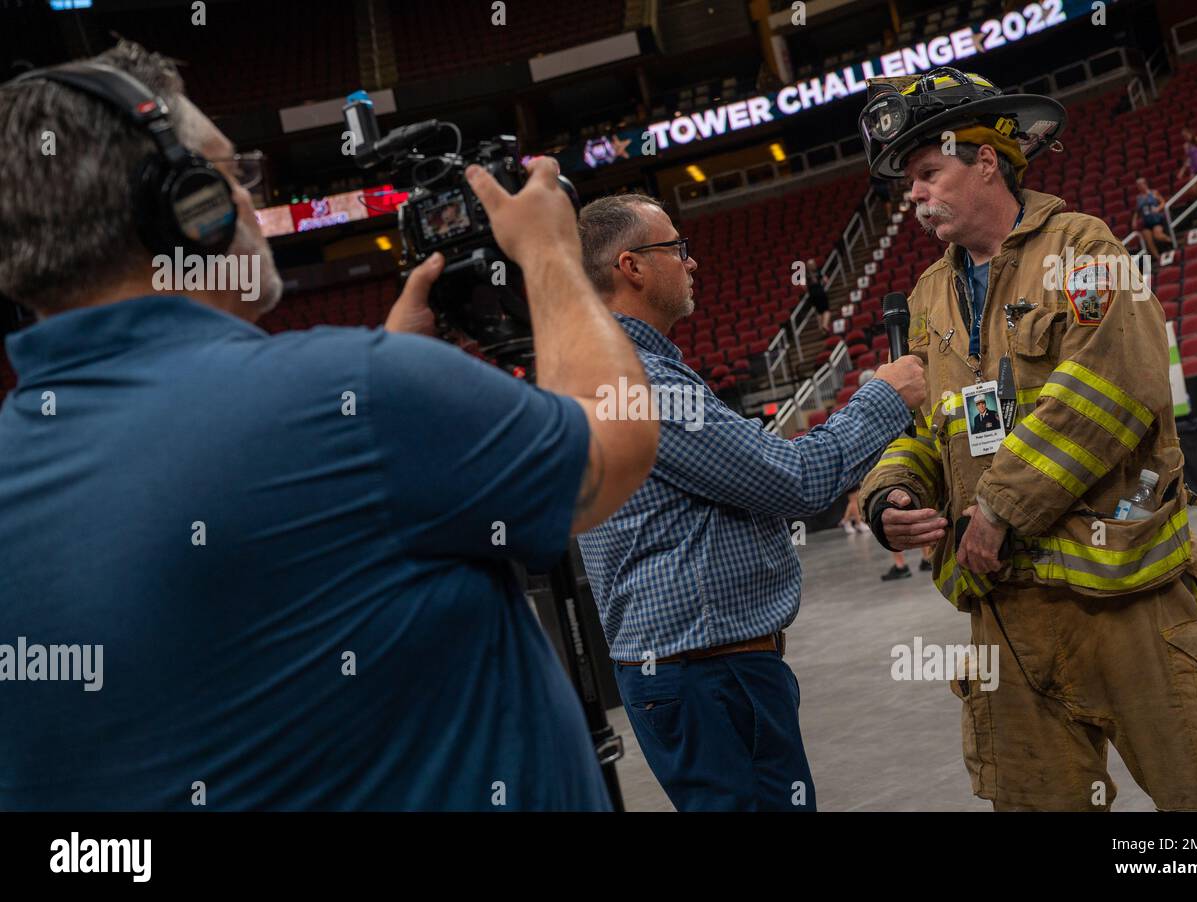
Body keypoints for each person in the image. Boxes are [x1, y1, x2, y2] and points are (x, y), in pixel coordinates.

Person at [0, 42, 660, 810]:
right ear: (180, 203)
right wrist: (548, 254)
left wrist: (386, 385)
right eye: (229, 173)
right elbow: (617, 439)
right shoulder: (361, 398)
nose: (249, 199)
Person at [856, 67, 1197, 811]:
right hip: (1006, 613)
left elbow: (1112, 390)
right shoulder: (929, 295)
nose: (915, 197)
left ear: (986, 158)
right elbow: (929, 427)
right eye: (910, 184)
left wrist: (996, 512)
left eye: (928, 174)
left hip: (1125, 599)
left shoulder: (1081, 245)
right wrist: (891, 494)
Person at [573, 192, 926, 811]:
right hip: (709, 673)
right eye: (675, 248)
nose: (692, 262)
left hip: (690, 670)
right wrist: (884, 397)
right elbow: (796, 481)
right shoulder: (642, 381)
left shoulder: (611, 370)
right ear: (630, 267)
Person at [1130, 177, 1172, 255]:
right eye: (1138, 185)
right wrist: (1134, 221)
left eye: (1141, 184)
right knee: (1148, 240)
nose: (1140, 187)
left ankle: (1171, 241)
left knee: (1158, 235)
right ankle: (1158, 258)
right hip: (1146, 222)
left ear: (1145, 184)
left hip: (1156, 219)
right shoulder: (1139, 198)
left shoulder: (1154, 193)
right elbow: (1137, 211)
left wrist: (1158, 208)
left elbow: (1163, 202)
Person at [806, 256, 832, 333]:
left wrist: (809, 290)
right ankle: (825, 325)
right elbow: (826, 280)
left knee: (819, 312)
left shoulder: (805, 274)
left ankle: (821, 328)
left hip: (812, 295)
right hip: (820, 292)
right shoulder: (818, 271)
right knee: (826, 310)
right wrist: (822, 285)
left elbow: (803, 286)